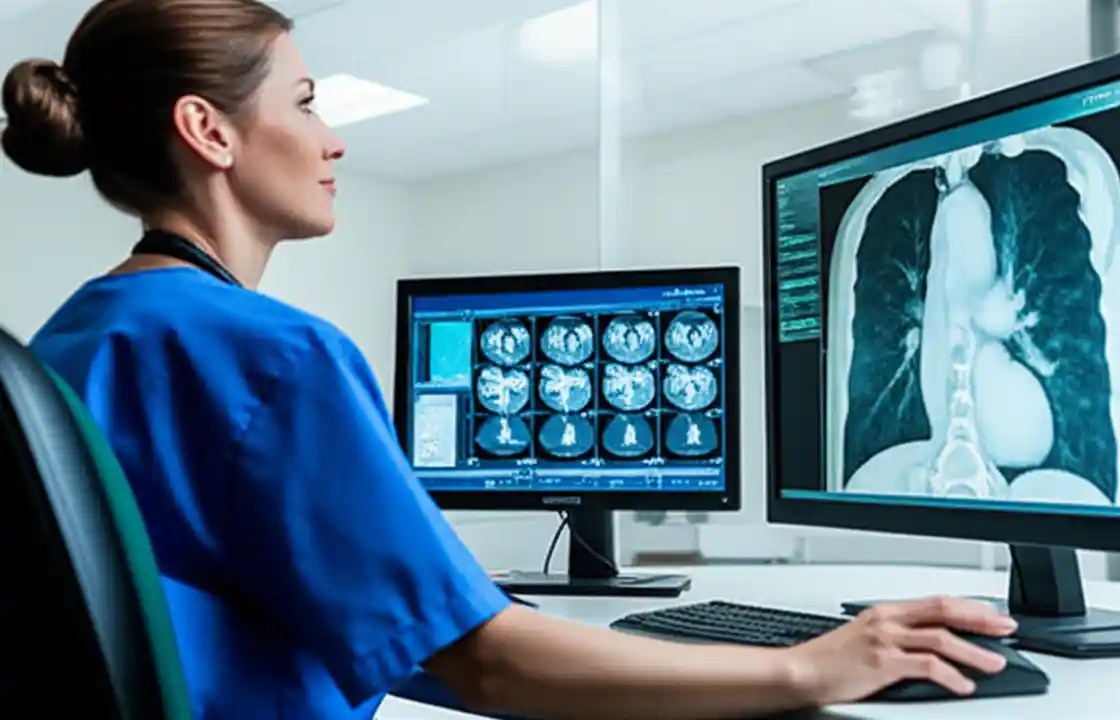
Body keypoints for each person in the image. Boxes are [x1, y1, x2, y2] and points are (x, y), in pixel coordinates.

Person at [1, 1, 1019, 718]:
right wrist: (813, 667)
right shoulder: (273, 355)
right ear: (207, 129)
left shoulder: (77, 339)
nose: (334, 141)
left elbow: (368, 622)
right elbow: (485, 667)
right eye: (307, 101)